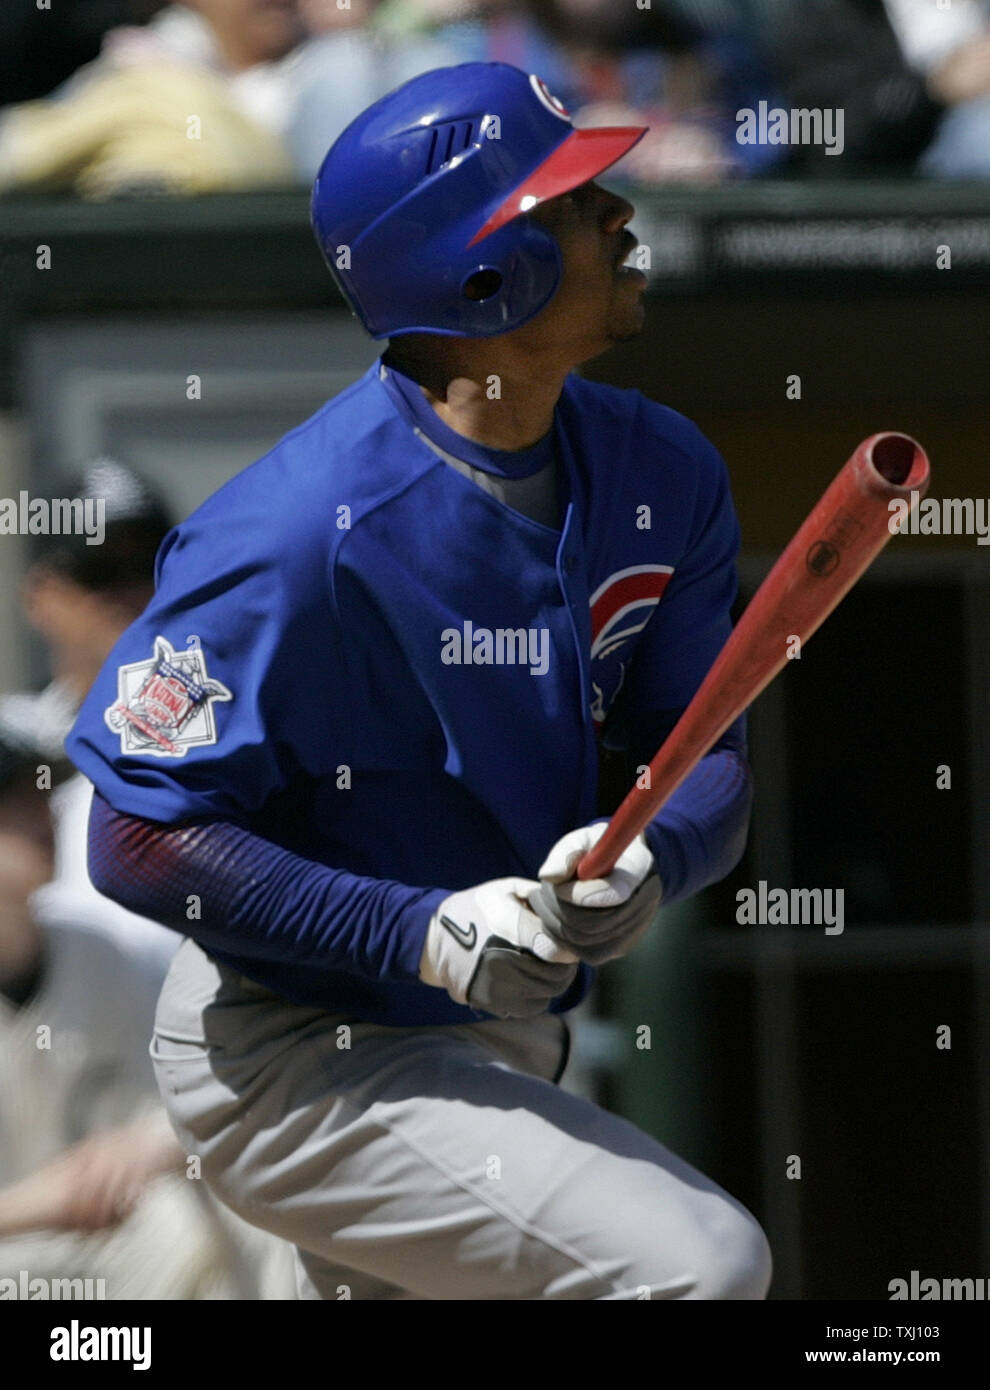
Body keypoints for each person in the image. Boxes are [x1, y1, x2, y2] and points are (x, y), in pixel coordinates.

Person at [66, 62, 772, 1300]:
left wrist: (658, 853)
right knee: (699, 1265)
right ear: (482, 273)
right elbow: (135, 835)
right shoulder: (291, 534)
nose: (618, 213)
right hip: (294, 1048)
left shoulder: (661, 466)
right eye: (573, 199)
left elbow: (702, 752)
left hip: (502, 1028)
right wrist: (418, 931)